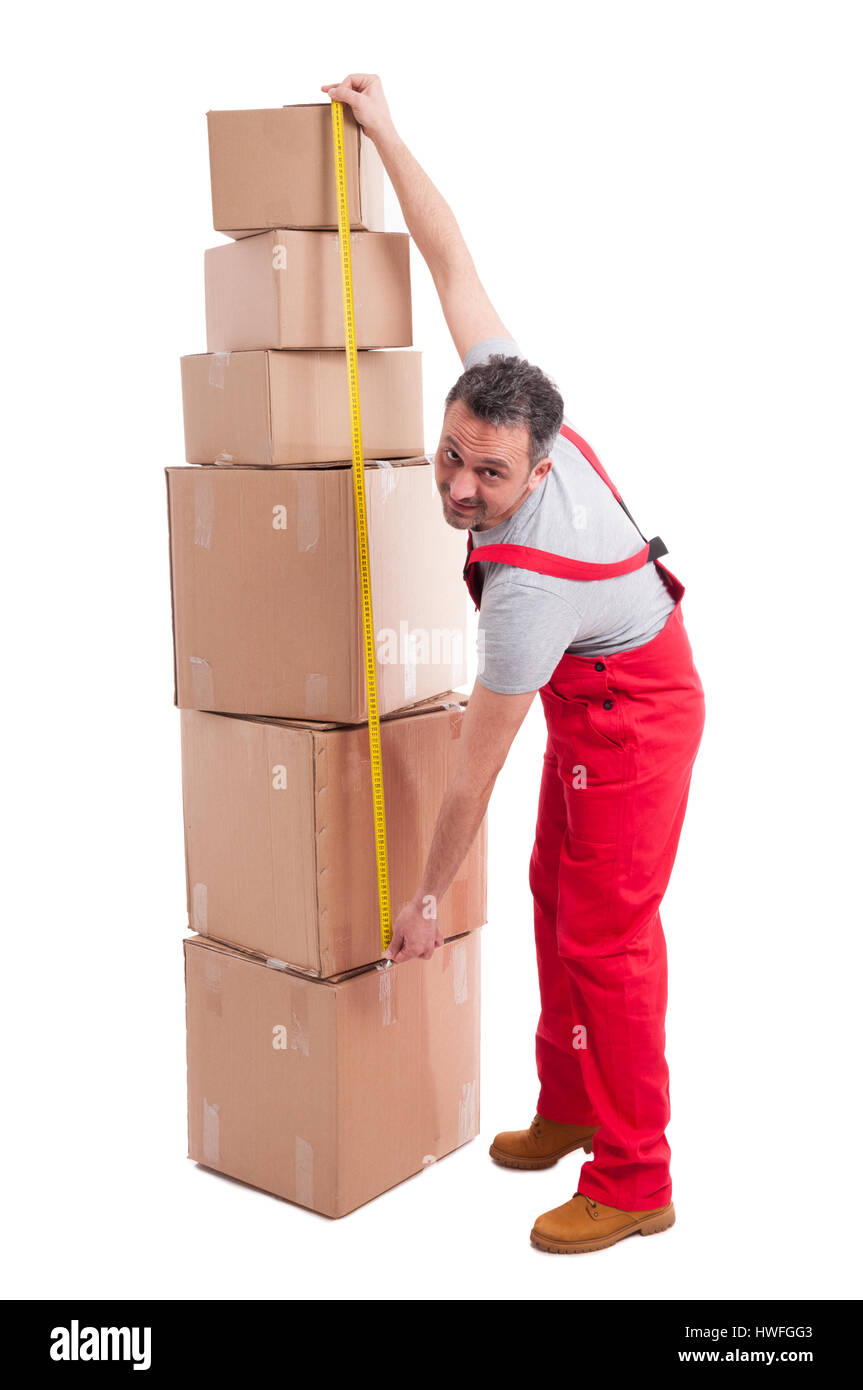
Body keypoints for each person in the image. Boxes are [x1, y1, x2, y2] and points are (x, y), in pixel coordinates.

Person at [322, 74, 707, 1256]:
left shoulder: (527, 592)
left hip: (634, 709)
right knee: (553, 898)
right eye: (450, 457)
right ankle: (570, 1103)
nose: (456, 489)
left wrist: (424, 899)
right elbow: (450, 259)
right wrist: (387, 131)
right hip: (595, 696)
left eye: (485, 476)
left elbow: (471, 773)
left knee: (607, 933)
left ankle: (636, 1175)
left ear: (535, 470)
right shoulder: (503, 386)